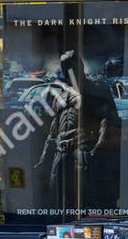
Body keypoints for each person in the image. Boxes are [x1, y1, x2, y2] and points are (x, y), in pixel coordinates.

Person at [34, 50, 121, 215]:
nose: (69, 71)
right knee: (59, 204)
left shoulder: (98, 91)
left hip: (83, 153)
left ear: (81, 67)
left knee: (87, 204)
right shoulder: (61, 96)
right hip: (61, 156)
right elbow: (53, 131)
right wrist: (44, 157)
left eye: (72, 66)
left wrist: (97, 148)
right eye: (65, 67)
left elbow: (109, 123)